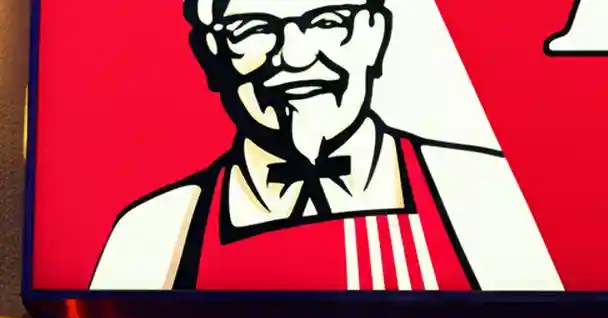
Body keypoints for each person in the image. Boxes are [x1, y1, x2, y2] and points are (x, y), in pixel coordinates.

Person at [90, 0, 563, 291]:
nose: (294, 56)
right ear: (213, 57)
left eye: (327, 21)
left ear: (374, 37)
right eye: (254, 28)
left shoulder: (483, 191)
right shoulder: (154, 231)